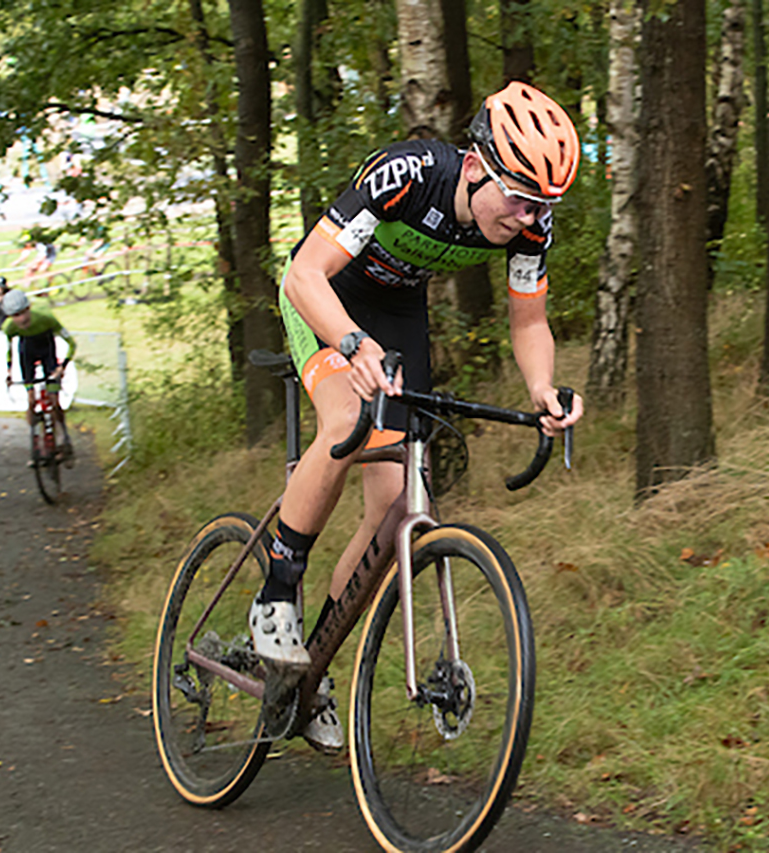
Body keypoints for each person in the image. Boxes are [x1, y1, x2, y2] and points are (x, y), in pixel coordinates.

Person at [249, 81, 586, 752]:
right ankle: (276, 593)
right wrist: (350, 344)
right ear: (473, 165)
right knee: (346, 416)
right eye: (519, 198)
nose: (527, 218)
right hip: (324, 296)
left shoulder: (531, 221)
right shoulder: (407, 175)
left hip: (398, 314)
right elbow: (305, 275)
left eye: (541, 206)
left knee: (401, 504)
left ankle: (307, 673)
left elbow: (530, 319)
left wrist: (545, 390)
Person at [1, 289, 76, 462]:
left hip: (47, 350)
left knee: (55, 401)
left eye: (23, 314)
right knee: (31, 400)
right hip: (26, 352)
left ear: (29, 308)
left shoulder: (46, 319)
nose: (21, 320)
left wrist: (62, 367)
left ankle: (63, 437)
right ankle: (34, 444)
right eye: (15, 316)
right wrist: (9, 371)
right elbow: (9, 350)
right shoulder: (10, 328)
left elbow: (71, 343)